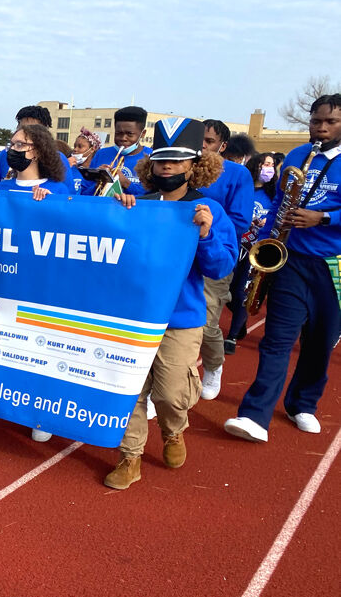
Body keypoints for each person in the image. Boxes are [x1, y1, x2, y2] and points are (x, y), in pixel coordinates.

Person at [102, 117, 236, 490]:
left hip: (181, 317)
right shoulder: (136, 204)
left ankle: (174, 429)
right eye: (162, 159)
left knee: (171, 393)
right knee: (129, 390)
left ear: (195, 164)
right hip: (132, 316)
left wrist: (206, 234)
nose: (168, 167)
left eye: (177, 160)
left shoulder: (209, 209)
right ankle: (130, 458)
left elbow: (221, 267)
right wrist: (117, 215)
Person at [225, 94, 341, 442]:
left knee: (319, 344)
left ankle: (301, 404)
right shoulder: (296, 155)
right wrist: (265, 242)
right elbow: (279, 201)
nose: (321, 128)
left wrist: (323, 218)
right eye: (316, 121)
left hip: (332, 265)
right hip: (289, 259)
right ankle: (254, 415)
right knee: (276, 340)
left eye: (330, 122)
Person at [0, 124, 71, 465]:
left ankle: (40, 416)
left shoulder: (58, 189)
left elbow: (71, 236)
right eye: (12, 143)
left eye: (20, 144)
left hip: (38, 293)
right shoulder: (0, 188)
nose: (12, 149)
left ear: (37, 151)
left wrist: (52, 208)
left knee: (35, 357)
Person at [196, 119, 255, 400]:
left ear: (222, 146)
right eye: (199, 140)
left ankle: (213, 364)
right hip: (178, 254)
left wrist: (207, 227)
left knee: (206, 323)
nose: (202, 146)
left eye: (209, 141)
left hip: (214, 252)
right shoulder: (183, 165)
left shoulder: (237, 174)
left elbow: (241, 221)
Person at [224, 152, 279, 353]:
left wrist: (268, 223)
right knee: (228, 292)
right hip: (235, 246)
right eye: (265, 164)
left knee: (242, 293)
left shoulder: (273, 194)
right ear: (256, 165)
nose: (269, 168)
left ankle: (231, 336)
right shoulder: (243, 189)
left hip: (255, 251)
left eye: (272, 165)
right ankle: (241, 321)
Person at [0, 105, 72, 187]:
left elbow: (67, 193)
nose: (24, 132)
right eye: (21, 127)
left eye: (32, 128)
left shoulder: (59, 158)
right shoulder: (4, 154)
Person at [82, 106, 151, 196]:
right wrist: (98, 184)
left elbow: (154, 194)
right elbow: (83, 193)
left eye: (130, 134)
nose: (123, 138)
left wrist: (126, 183)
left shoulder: (151, 156)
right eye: (118, 133)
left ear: (143, 134)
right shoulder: (101, 154)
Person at [66, 127, 103, 193]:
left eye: (80, 147)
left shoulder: (96, 173)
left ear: (92, 149)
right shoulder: (69, 169)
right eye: (75, 146)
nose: (75, 149)